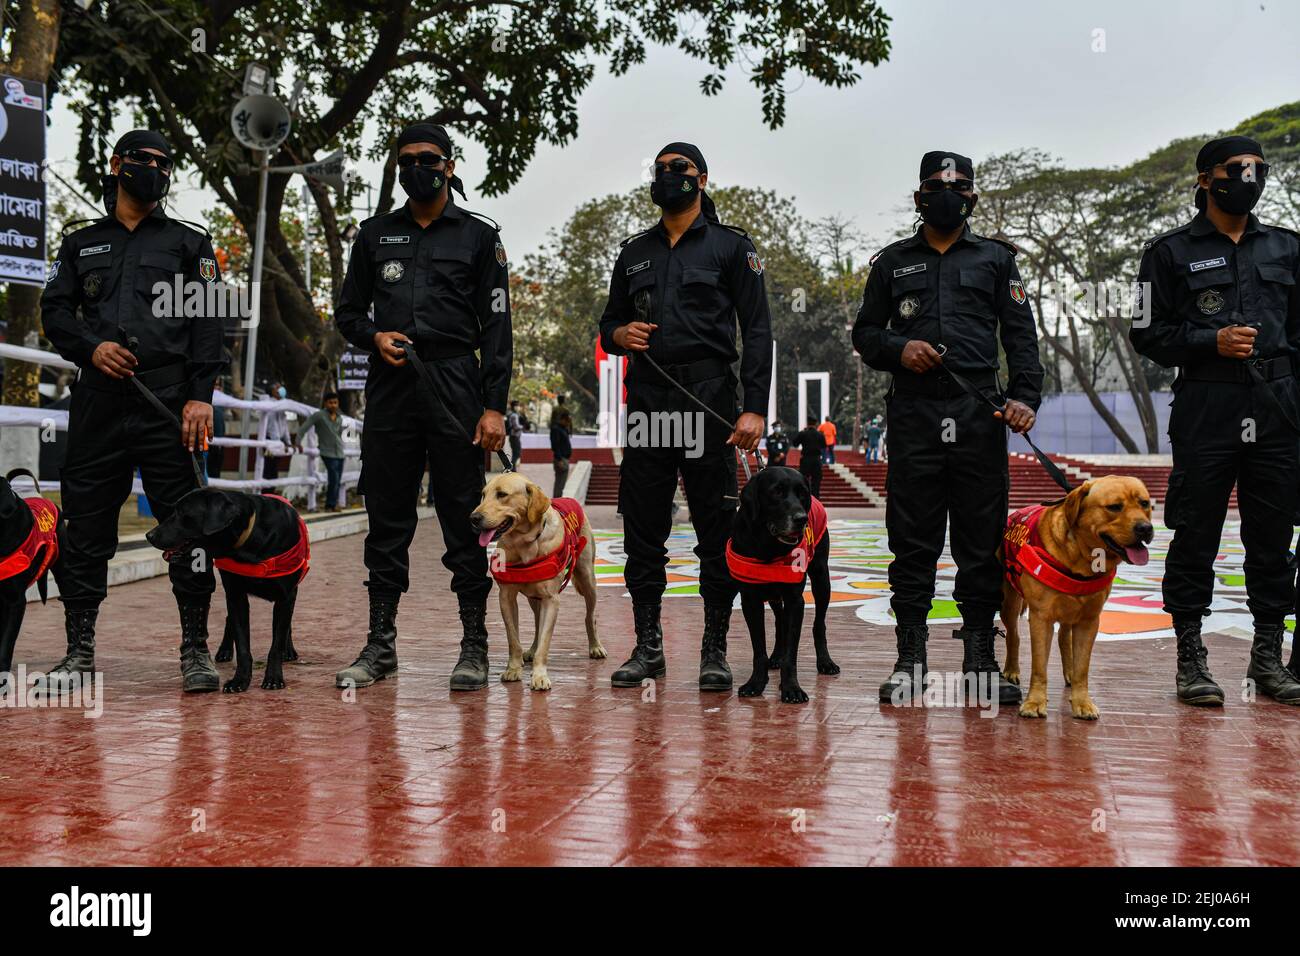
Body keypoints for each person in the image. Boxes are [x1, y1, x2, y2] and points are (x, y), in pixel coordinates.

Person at [853, 150, 1043, 706]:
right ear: (919, 198)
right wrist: (897, 347)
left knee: (980, 544)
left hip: (980, 414)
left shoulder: (995, 261)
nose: (948, 194)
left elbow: (1021, 338)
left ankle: (980, 658)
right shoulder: (891, 263)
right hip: (914, 416)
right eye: (937, 186)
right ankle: (909, 657)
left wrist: (1025, 398)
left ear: (972, 199)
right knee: (911, 542)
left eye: (959, 187)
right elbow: (865, 333)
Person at [40, 129, 226, 692]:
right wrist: (89, 347)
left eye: (165, 163)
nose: (155, 170)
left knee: (187, 527)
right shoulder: (80, 243)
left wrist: (201, 395)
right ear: (117, 165)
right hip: (98, 401)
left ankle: (194, 649)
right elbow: (55, 310)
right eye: (144, 160)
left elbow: (210, 323)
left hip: (169, 404)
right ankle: (79, 651)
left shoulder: (191, 244)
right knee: (86, 526)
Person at [333, 122, 510, 692]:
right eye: (406, 159)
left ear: (450, 166)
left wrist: (493, 407)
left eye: (428, 158)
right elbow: (347, 312)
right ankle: (380, 644)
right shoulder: (374, 235)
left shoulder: (480, 238)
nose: (417, 167)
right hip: (392, 382)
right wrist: (372, 337)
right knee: (387, 517)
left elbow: (498, 329)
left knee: (468, 518)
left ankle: (474, 645)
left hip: (457, 382)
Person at [1130, 135, 1300, 706]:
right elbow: (1146, 334)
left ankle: (1268, 658)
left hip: (1277, 410)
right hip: (1208, 406)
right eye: (1235, 169)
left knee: (1273, 539)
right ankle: (1190, 657)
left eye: (1258, 169)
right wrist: (1211, 341)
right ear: (1206, 179)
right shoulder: (1167, 253)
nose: (1248, 178)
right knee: (1196, 532)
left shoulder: (1287, 247)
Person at [599, 141, 771, 692]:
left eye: (681, 169)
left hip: (710, 402)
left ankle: (714, 647)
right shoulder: (634, 253)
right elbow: (609, 325)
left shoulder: (731, 248)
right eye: (661, 170)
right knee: (643, 531)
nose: (669, 176)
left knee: (716, 531)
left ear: (701, 179)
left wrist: (753, 407)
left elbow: (758, 330)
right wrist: (620, 335)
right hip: (649, 400)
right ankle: (648, 646)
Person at [298, 391, 348, 511]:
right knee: (334, 478)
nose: (333, 405)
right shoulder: (319, 415)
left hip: (340, 452)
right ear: (325, 403)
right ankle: (330, 505)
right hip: (327, 452)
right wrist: (297, 442)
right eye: (330, 403)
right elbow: (304, 427)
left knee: (337, 479)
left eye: (335, 403)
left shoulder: (340, 417)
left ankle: (331, 504)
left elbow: (343, 434)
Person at [262, 382, 291, 491]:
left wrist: (287, 441)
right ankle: (267, 494)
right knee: (269, 469)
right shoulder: (269, 404)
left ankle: (271, 494)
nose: (281, 389)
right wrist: (277, 443)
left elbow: (284, 425)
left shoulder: (281, 405)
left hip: (278, 441)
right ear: (272, 391)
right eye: (278, 387)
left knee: (273, 469)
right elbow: (272, 427)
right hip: (270, 440)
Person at [794, 423, 825, 497]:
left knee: (803, 480)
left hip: (806, 459)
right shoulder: (820, 434)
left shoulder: (803, 434)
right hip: (816, 459)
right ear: (816, 425)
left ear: (807, 424)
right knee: (816, 481)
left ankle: (804, 496)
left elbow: (795, 443)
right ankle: (816, 498)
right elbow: (824, 445)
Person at [550, 410, 572, 497]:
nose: (568, 423)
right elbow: (555, 445)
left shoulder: (563, 429)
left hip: (564, 458)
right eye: (567, 421)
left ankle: (557, 500)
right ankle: (557, 502)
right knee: (560, 484)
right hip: (561, 459)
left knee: (561, 484)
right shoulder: (556, 429)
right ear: (562, 419)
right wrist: (559, 459)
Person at [507, 399, 524, 468]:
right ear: (513, 406)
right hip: (514, 436)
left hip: (514, 436)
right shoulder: (514, 415)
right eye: (517, 405)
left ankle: (512, 468)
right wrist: (523, 426)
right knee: (517, 453)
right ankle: (512, 468)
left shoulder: (514, 414)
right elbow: (516, 426)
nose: (518, 407)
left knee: (516, 453)